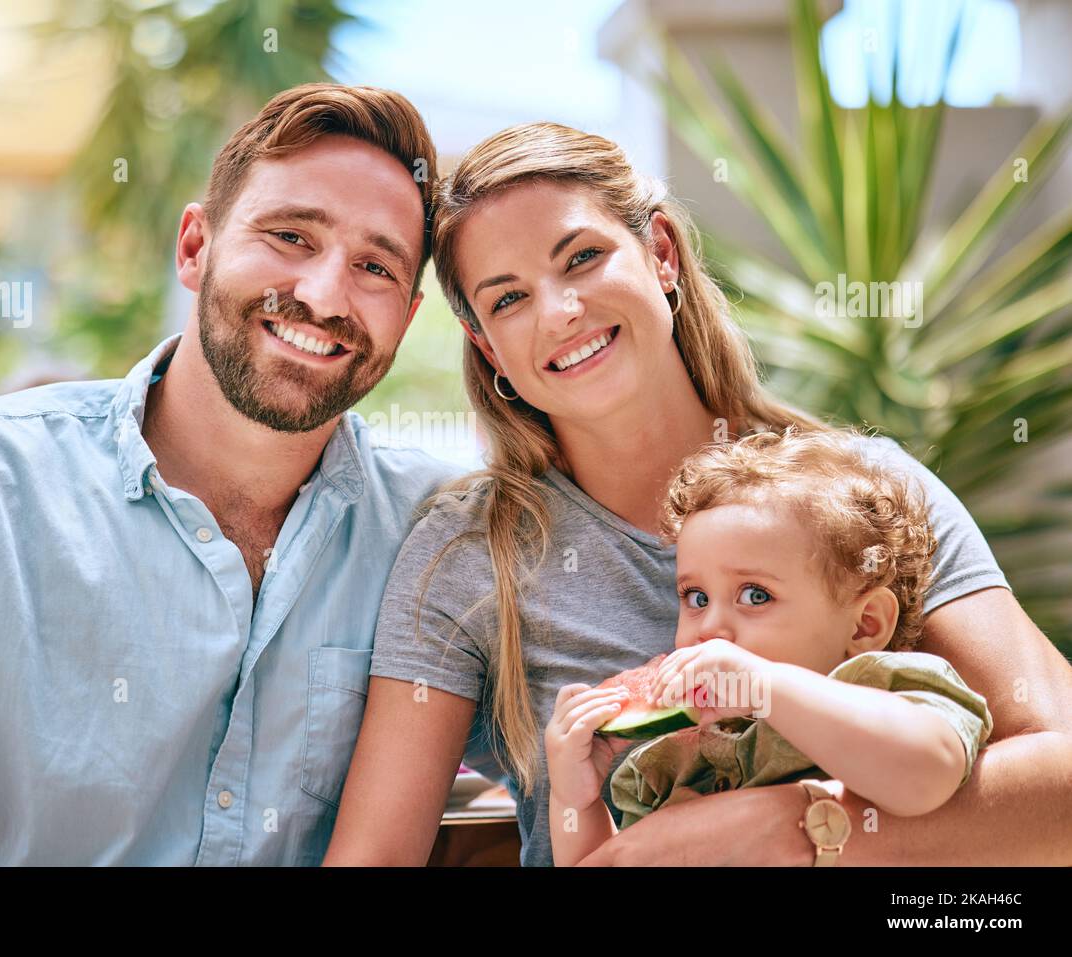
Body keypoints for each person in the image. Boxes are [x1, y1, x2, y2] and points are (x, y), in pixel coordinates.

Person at [323, 122, 1072, 867]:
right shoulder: (466, 556)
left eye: (582, 258)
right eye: (510, 298)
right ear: (488, 347)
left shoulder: (866, 491)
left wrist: (799, 827)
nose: (559, 313)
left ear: (661, 254)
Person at [0, 83, 461, 865]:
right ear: (195, 248)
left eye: (375, 265)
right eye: (292, 236)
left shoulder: (433, 534)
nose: (323, 294)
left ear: (406, 318)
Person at [545, 428, 993, 866]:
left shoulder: (885, 692)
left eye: (755, 595)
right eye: (696, 598)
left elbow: (926, 775)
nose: (711, 626)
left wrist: (764, 685)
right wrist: (575, 800)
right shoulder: (675, 759)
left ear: (865, 625)